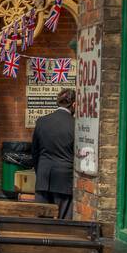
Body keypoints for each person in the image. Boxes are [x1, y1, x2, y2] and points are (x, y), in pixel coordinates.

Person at [31, 88, 76, 219]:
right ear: (74, 104)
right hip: (64, 178)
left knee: (41, 220)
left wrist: (39, 171)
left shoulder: (42, 121)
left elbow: (34, 151)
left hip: (43, 176)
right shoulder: (75, 124)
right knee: (64, 221)